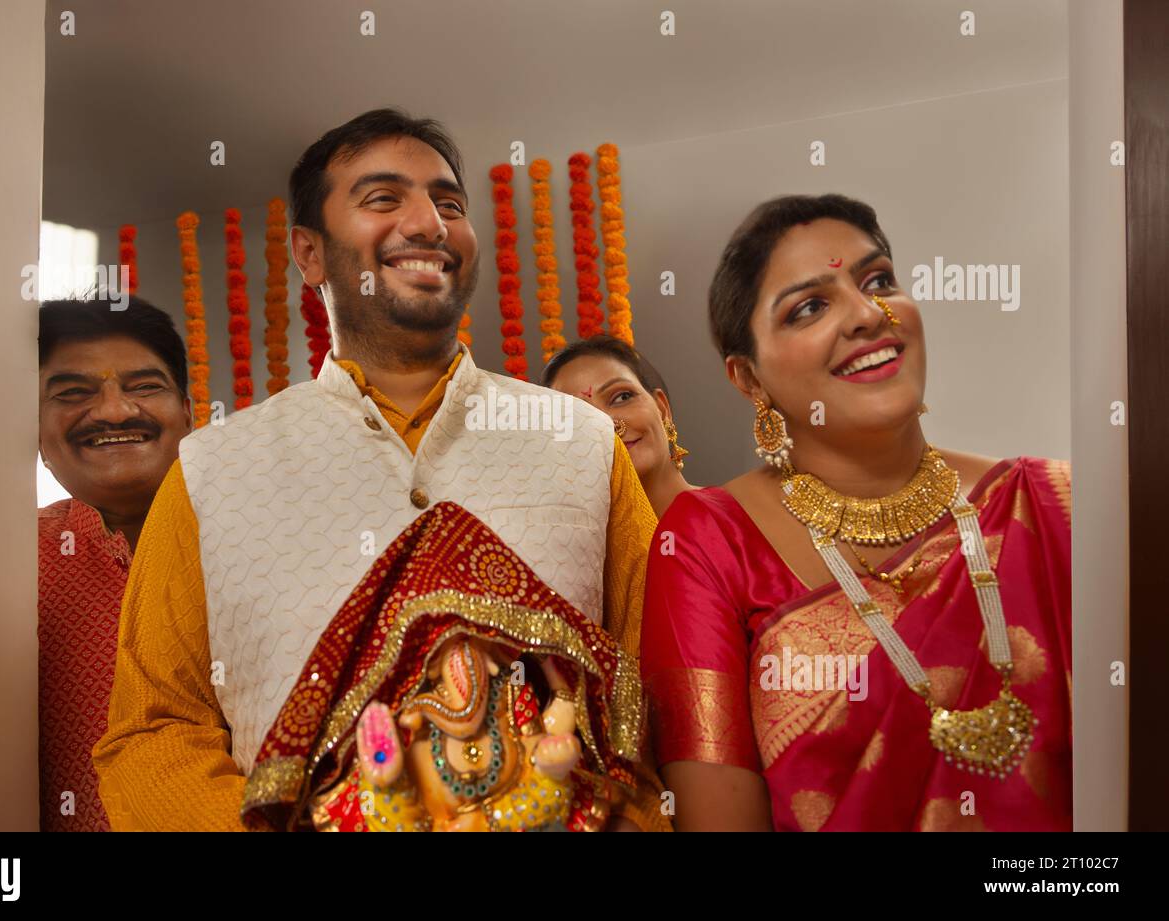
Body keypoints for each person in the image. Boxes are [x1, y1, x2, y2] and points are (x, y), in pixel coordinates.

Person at [93, 108, 667, 831]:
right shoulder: (212, 470)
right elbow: (153, 730)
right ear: (308, 253)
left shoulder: (582, 442)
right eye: (384, 198)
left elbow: (657, 695)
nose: (428, 222)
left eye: (449, 203)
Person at [641, 194, 1072, 831]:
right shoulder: (709, 539)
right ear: (749, 379)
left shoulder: (1045, 503)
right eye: (810, 306)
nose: (869, 314)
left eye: (878, 281)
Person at [37, 294, 193, 831]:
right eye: (73, 393)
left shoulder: (260, 541)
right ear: (35, 430)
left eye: (144, 387)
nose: (113, 411)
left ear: (189, 414)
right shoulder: (2, 561)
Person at [542, 335, 695, 518]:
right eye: (579, 417)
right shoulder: (562, 545)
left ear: (662, 409)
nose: (607, 425)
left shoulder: (735, 514)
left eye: (622, 397)